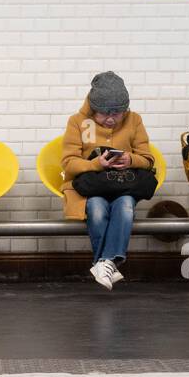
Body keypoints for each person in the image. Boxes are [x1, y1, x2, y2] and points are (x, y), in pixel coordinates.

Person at [61, 71, 157, 290]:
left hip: (123, 186)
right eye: (104, 113)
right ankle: (109, 263)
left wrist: (130, 159)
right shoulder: (77, 122)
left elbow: (148, 159)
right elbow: (68, 162)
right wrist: (96, 164)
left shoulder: (134, 120)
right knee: (96, 209)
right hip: (90, 187)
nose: (111, 118)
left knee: (125, 207)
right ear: (94, 108)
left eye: (118, 112)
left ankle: (103, 263)